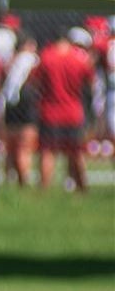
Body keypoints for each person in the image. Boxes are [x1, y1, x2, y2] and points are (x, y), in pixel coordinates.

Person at [33, 29, 96, 191]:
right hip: (73, 111)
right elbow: (90, 82)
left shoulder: (46, 56)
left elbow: (34, 81)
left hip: (50, 110)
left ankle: (44, 189)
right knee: (75, 152)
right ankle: (82, 188)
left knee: (48, 151)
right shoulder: (79, 59)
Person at [0, 33, 39, 186]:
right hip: (26, 101)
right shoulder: (31, 59)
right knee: (24, 148)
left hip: (10, 104)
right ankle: (23, 182)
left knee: (11, 147)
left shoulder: (11, 60)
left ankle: (8, 180)